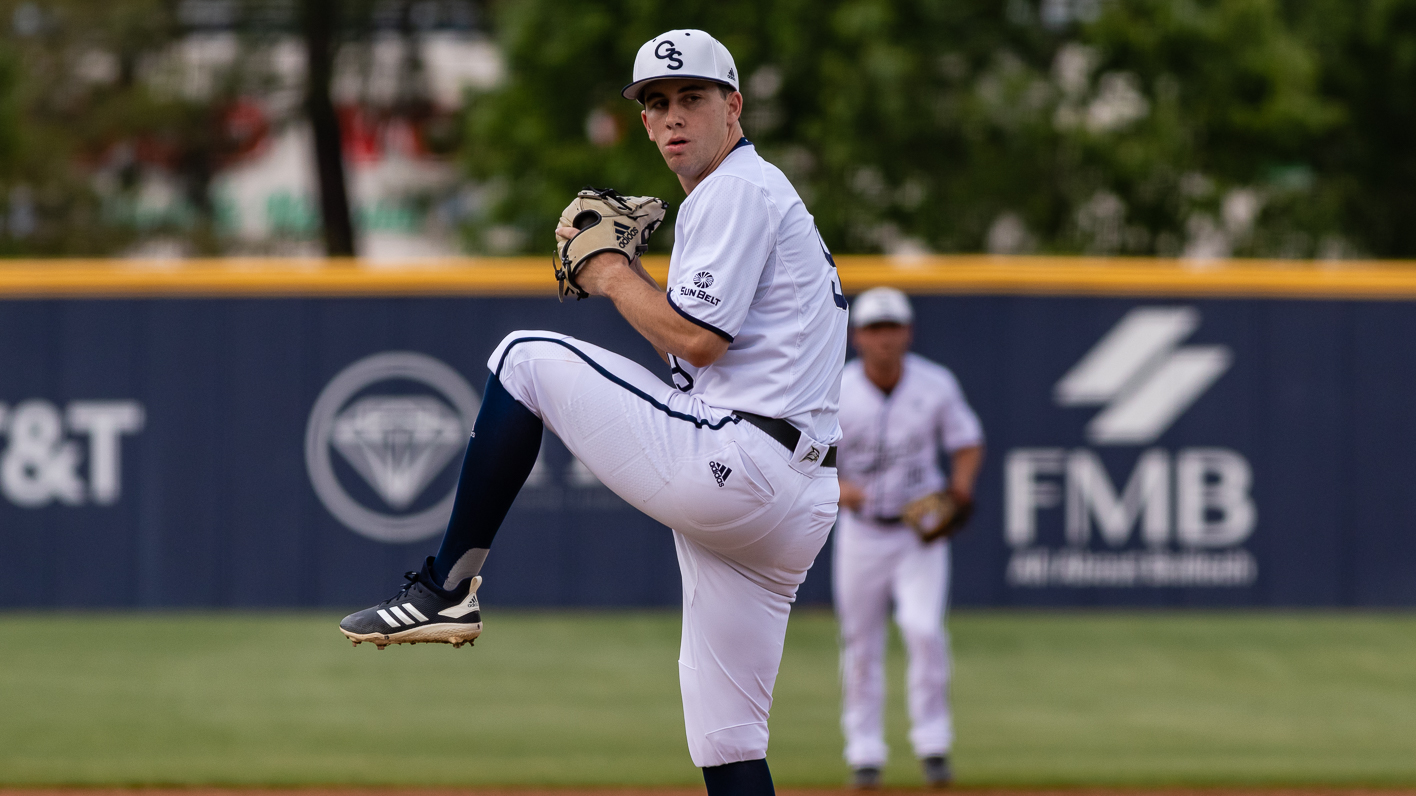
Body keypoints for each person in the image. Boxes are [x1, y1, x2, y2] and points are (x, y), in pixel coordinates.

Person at [337, 29, 848, 796]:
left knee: (523, 357)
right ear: (643, 121)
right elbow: (697, 362)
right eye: (657, 103)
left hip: (745, 464)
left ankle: (447, 587)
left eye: (693, 98)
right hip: (794, 498)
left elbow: (699, 344)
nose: (673, 117)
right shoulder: (750, 194)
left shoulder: (736, 189)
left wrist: (610, 271)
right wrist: (632, 274)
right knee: (727, 738)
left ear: (733, 106)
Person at [832, 287, 984, 789]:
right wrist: (837, 487)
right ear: (858, 337)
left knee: (923, 631)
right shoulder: (835, 388)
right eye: (875, 329)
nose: (884, 338)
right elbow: (802, 455)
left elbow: (967, 441)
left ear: (908, 332)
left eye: (892, 327)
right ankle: (865, 753)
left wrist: (959, 492)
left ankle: (934, 745)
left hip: (920, 533)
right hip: (861, 532)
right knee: (860, 644)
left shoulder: (935, 384)